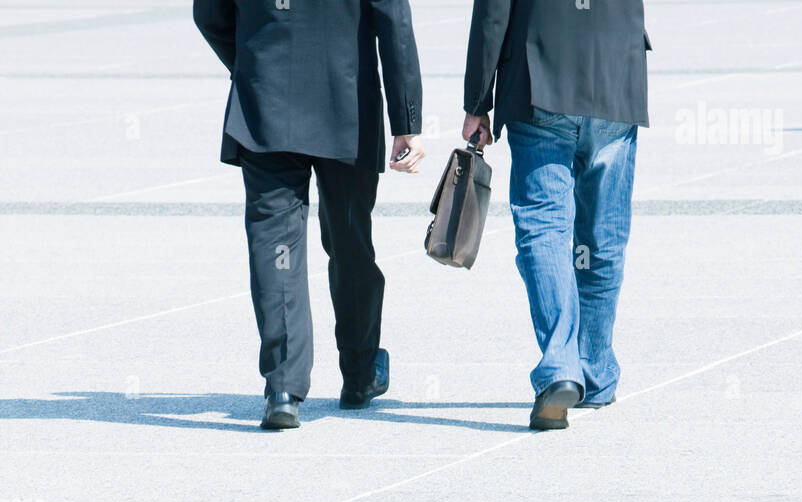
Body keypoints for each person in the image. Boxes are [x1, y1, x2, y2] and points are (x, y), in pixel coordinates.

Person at [193, 0, 425, 430]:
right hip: (346, 101)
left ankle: (283, 387)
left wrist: (251, 60)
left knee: (275, 246)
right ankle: (358, 374)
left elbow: (209, 15)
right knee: (350, 240)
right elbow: (394, 22)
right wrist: (406, 121)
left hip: (266, 100)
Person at [462, 0, 651, 430]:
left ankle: (561, 367)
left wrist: (478, 100)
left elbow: (493, 10)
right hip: (614, 71)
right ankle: (595, 370)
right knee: (603, 238)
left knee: (543, 229)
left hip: (539, 74)